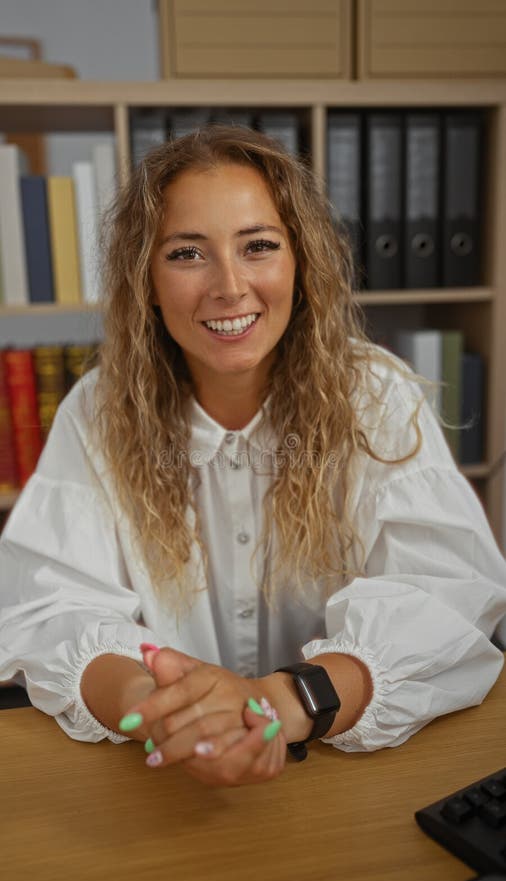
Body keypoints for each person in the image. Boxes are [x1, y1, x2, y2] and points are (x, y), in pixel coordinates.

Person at [0, 125, 505, 787]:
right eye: (187, 254)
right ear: (146, 279)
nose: (230, 286)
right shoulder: (99, 409)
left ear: (301, 262)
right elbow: (50, 608)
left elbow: (446, 598)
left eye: (258, 247)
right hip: (163, 778)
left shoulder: (375, 395)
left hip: (345, 776)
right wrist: (155, 708)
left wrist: (283, 703)